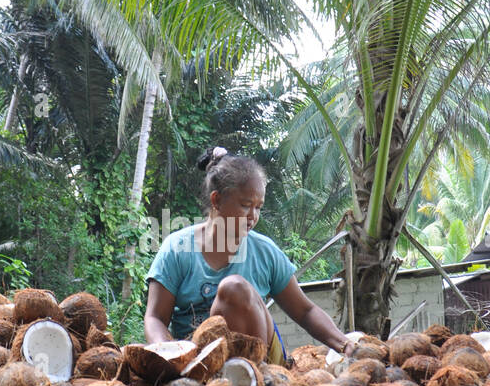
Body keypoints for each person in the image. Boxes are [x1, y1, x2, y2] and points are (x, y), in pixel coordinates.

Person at [143, 146, 357, 364]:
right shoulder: (177, 248)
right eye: (246, 205)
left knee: (234, 289)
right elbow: (155, 318)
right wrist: (171, 356)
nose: (253, 216)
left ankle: (254, 378)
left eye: (258, 207)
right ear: (216, 200)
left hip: (261, 361)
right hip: (199, 361)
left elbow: (305, 311)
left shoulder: (265, 252)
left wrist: (344, 343)